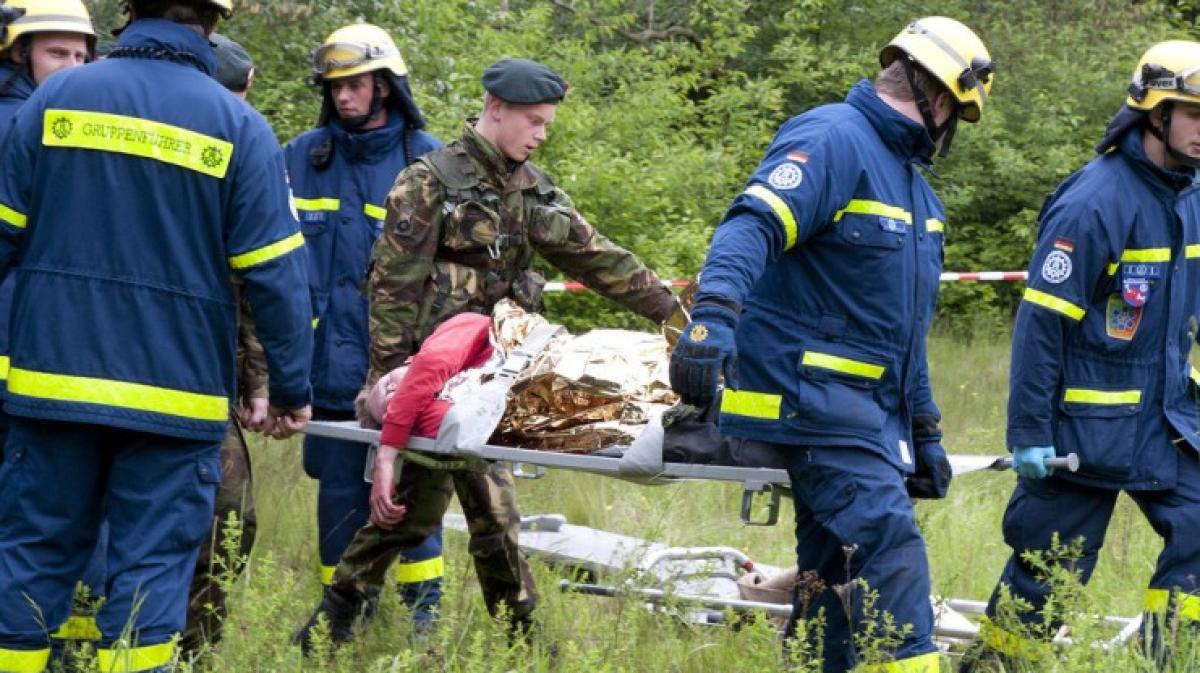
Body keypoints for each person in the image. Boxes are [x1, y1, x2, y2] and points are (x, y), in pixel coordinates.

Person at [295, 56, 688, 650]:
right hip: (434, 386)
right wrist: (387, 391)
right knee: (441, 517)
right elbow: (392, 293)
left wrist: (680, 317)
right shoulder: (429, 182)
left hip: (496, 383)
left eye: (547, 123)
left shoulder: (531, 191)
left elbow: (600, 259)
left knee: (463, 519)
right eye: (534, 120)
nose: (541, 134)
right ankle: (347, 630)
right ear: (496, 109)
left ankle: (502, 642)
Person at [668, 17, 994, 673]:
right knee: (890, 549)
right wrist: (712, 319)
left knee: (830, 576)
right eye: (956, 114)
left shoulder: (917, 194)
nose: (949, 129)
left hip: (858, 413)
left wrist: (924, 427)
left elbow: (902, 335)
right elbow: (751, 226)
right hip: (805, 399)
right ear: (938, 97)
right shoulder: (833, 138)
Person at [0, 1, 313, 671]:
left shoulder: (54, 100)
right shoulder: (239, 126)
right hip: (175, 401)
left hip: (51, 386)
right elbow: (277, 275)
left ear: (129, 11)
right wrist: (291, 388)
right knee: (149, 575)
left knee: (32, 559)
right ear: (213, 24)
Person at [960, 40, 1200, 671]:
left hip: (1167, 422)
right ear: (1155, 113)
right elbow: (1041, 328)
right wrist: (1028, 433)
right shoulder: (1093, 201)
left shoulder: (1194, 196)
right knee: (1046, 576)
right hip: (1083, 433)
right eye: (1195, 114)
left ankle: (1168, 661)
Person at [285, 23, 445, 624]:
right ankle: (342, 623)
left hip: (406, 376)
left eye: (355, 84)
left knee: (411, 502)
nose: (343, 96)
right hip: (327, 374)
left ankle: (425, 624)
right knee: (337, 505)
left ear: (385, 85)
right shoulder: (301, 158)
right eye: (335, 87)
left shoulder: (429, 160)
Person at [0, 0, 95, 457]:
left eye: (80, 57)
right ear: (19, 53)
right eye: (57, 54)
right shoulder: (25, 126)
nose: (72, 69)